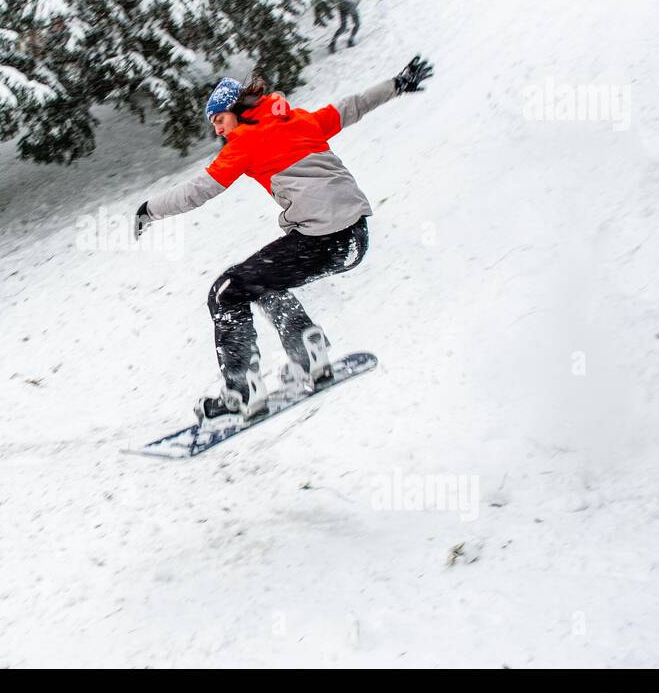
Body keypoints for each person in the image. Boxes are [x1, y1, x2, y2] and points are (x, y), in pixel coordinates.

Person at [133, 56, 434, 421]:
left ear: (236, 110)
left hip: (319, 240)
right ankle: (307, 352)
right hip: (354, 238)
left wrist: (149, 209)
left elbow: (198, 190)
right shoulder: (298, 119)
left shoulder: (245, 140)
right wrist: (397, 84)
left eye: (220, 120)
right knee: (258, 281)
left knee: (226, 292)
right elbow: (352, 106)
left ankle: (241, 392)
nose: (218, 131)